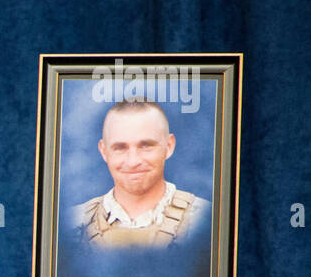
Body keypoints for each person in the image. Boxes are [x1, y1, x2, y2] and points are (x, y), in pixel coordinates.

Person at [70, 97, 210, 249]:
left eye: (145, 146)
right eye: (120, 147)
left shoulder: (207, 221)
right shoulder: (72, 223)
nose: (133, 161)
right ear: (104, 151)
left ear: (169, 146)